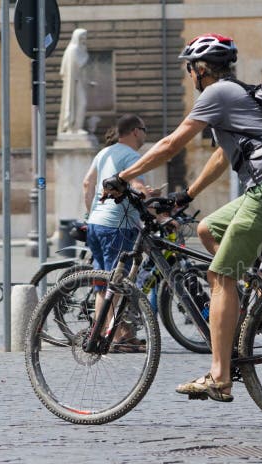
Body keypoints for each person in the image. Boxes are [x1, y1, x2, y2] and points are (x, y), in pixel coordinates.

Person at [101, 33, 262, 402]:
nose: (189, 76)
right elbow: (222, 157)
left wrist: (122, 177)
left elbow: (170, 144)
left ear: (199, 70)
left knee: (219, 275)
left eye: (190, 69)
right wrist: (188, 195)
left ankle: (219, 376)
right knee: (207, 229)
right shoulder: (235, 95)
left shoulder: (216, 94)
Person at [82, 114, 151, 351]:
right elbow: (138, 187)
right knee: (116, 285)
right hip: (117, 227)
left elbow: (87, 183)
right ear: (134, 131)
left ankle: (101, 332)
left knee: (104, 285)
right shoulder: (132, 156)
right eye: (144, 129)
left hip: (96, 224)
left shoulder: (104, 153)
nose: (145, 134)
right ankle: (116, 336)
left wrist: (92, 212)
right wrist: (153, 198)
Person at [58, 28, 89, 135]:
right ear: (77, 37)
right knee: (80, 103)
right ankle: (74, 127)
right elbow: (79, 63)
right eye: (82, 37)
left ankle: (77, 127)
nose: (84, 39)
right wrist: (86, 54)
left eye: (85, 37)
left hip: (78, 81)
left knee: (80, 103)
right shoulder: (73, 49)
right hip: (74, 82)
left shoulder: (78, 49)